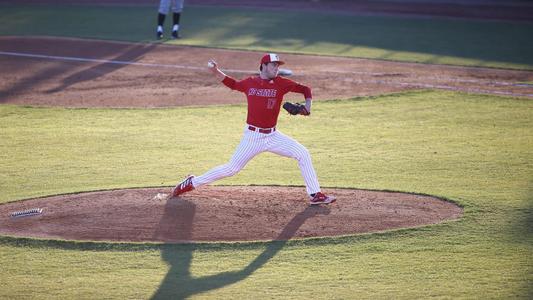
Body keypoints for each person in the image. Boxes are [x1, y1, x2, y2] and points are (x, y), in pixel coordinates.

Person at [171, 53, 335, 205]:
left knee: (302, 153)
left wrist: (308, 107)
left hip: (273, 136)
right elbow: (233, 84)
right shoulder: (250, 83)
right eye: (273, 65)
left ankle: (315, 194)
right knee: (231, 169)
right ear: (263, 66)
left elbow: (306, 90)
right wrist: (215, 71)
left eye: (278, 66)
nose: (276, 68)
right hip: (252, 137)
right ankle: (192, 182)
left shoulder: (281, 83)